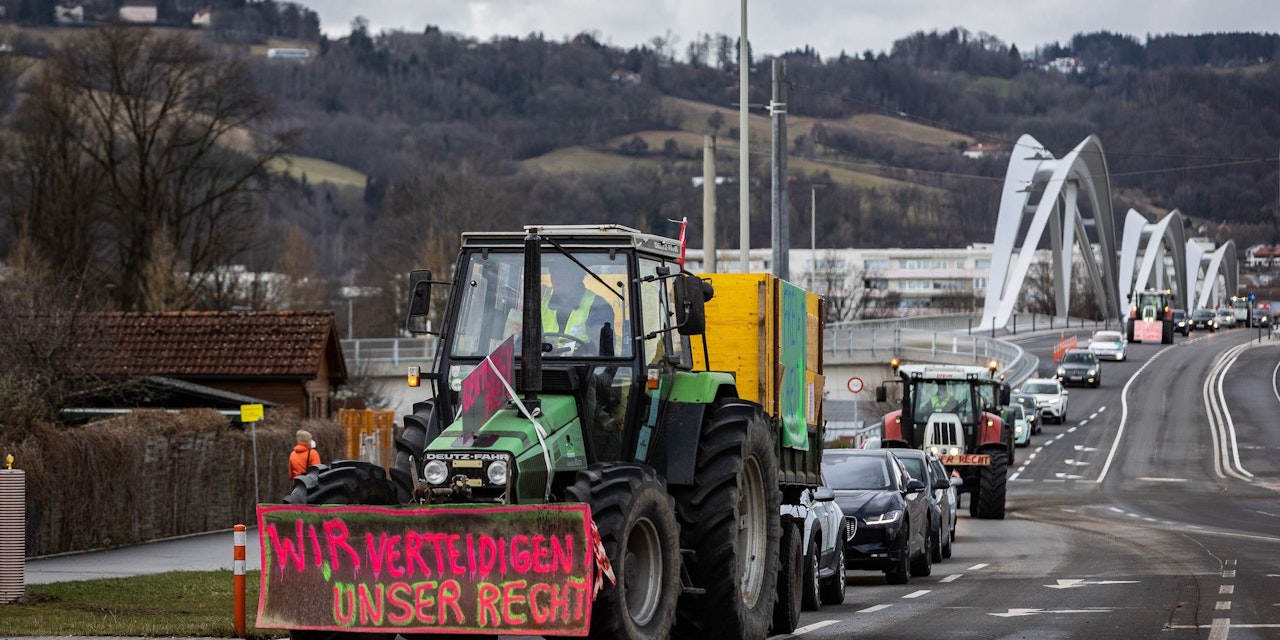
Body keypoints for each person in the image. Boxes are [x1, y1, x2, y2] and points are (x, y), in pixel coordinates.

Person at [542, 261, 615, 356]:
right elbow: (528, 339)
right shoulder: (541, 305)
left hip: (584, 366)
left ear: (577, 278)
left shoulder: (598, 306)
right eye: (554, 275)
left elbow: (602, 350)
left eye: (563, 276)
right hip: (547, 365)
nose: (557, 281)